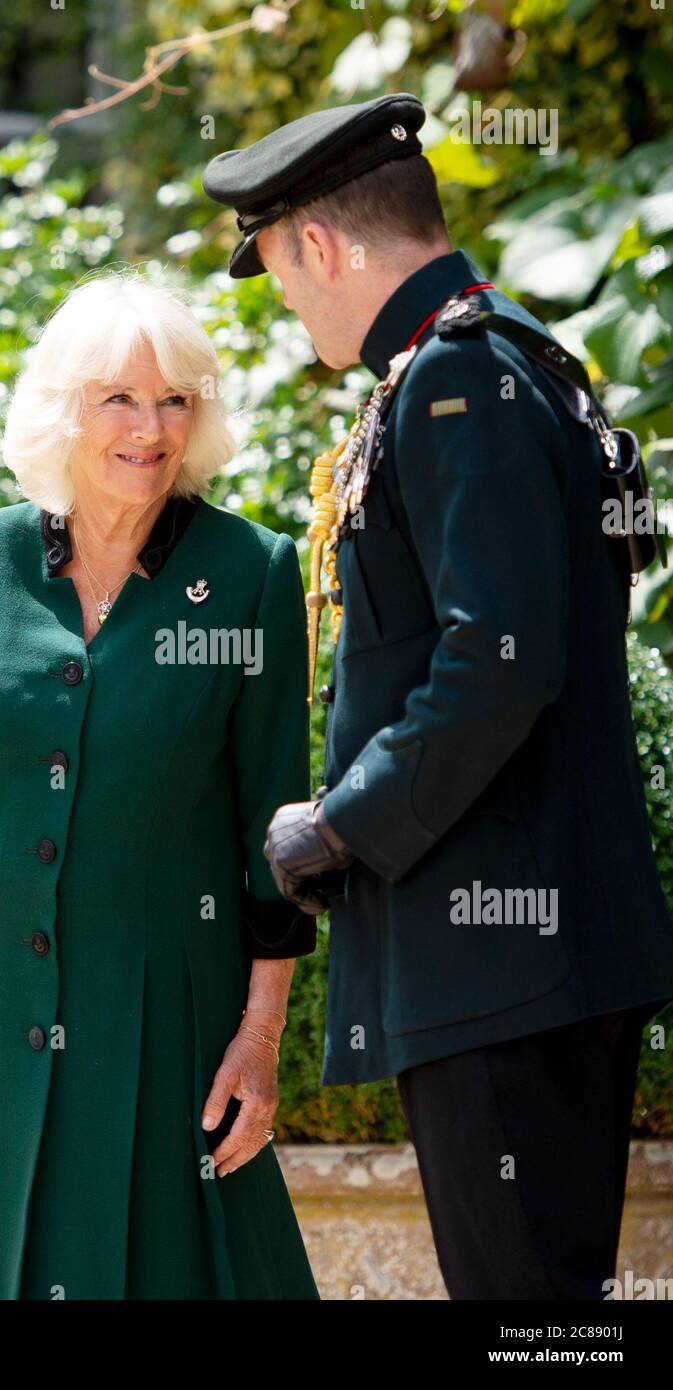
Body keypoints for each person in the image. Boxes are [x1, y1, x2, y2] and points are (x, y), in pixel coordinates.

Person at [203, 94, 673, 1300]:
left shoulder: (458, 382)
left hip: (501, 961)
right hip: (512, 955)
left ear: (316, 245)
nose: (287, 301)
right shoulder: (494, 358)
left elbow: (497, 661)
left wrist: (339, 824)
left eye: (273, 267)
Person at [0, 270, 320, 1300]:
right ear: (63, 406)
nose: (150, 428)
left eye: (174, 400)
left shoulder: (248, 572)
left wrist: (260, 1038)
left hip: (162, 1013)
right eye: (119, 397)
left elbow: (280, 840)